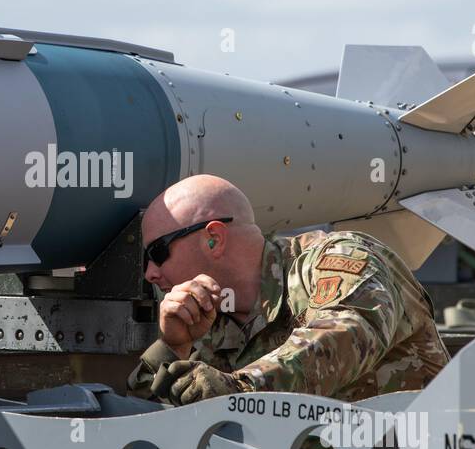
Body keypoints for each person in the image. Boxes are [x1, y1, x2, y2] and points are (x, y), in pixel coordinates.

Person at [129, 174, 449, 405]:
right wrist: (173, 346)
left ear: (214, 238)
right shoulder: (213, 319)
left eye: (158, 253)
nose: (150, 273)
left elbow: (348, 334)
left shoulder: (333, 258)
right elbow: (143, 419)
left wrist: (241, 389)